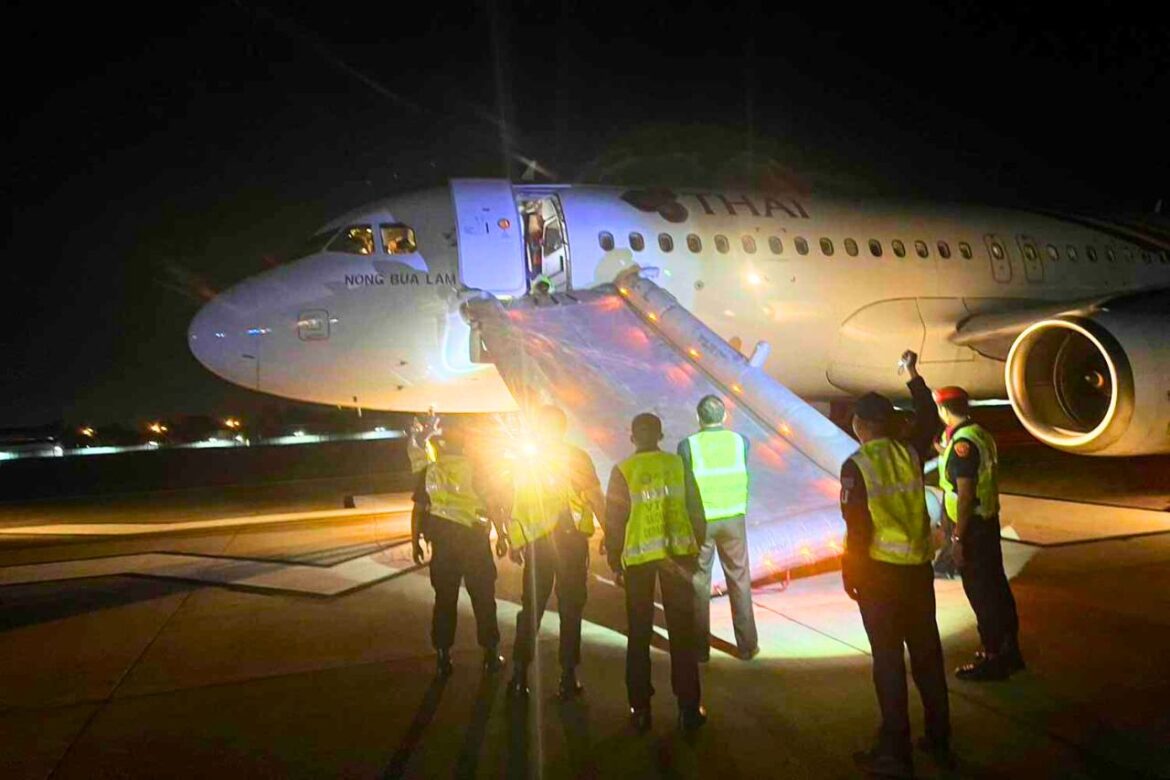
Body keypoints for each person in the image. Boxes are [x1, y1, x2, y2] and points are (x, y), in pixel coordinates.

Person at [842, 392, 953, 777]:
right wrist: (914, 380)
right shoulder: (910, 452)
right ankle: (940, 736)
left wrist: (851, 572)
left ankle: (895, 749)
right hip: (918, 570)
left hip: (880, 575)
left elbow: (857, 529)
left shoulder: (856, 465)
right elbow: (927, 417)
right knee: (927, 655)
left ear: (860, 425)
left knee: (888, 662)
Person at [606, 413, 706, 732]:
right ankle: (688, 708)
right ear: (661, 435)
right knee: (682, 633)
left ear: (632, 436)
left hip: (638, 560)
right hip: (677, 556)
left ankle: (640, 707)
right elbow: (696, 508)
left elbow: (614, 520)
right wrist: (697, 547)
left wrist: (613, 560)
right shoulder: (677, 465)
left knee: (638, 633)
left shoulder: (623, 470)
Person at [925, 380, 1024, 681]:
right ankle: (1008, 651)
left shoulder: (962, 445)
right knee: (996, 588)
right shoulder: (978, 434)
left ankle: (993, 656)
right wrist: (945, 450)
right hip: (987, 521)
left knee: (981, 593)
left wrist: (957, 537)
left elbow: (965, 493)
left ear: (943, 410)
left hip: (972, 527)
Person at [505, 405, 605, 700]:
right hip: (569, 543)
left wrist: (515, 540)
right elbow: (596, 499)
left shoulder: (526, 461)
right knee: (570, 609)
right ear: (563, 428)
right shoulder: (576, 457)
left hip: (537, 544)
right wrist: (612, 537)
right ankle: (567, 676)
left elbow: (517, 502)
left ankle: (519, 675)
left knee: (531, 608)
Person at [411, 425, 507, 677]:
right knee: (484, 599)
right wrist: (502, 535)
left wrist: (415, 542)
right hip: (474, 543)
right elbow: (493, 504)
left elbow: (419, 510)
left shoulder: (430, 471)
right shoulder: (476, 469)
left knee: (444, 601)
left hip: (443, 546)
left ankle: (443, 656)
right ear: (463, 443)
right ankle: (490, 653)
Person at [679, 394, 758, 661]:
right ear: (724, 416)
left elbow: (686, 485)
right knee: (739, 578)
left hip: (702, 520)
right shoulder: (741, 442)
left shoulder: (687, 446)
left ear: (698, 418)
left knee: (700, 582)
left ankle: (700, 649)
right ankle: (747, 646)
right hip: (734, 518)